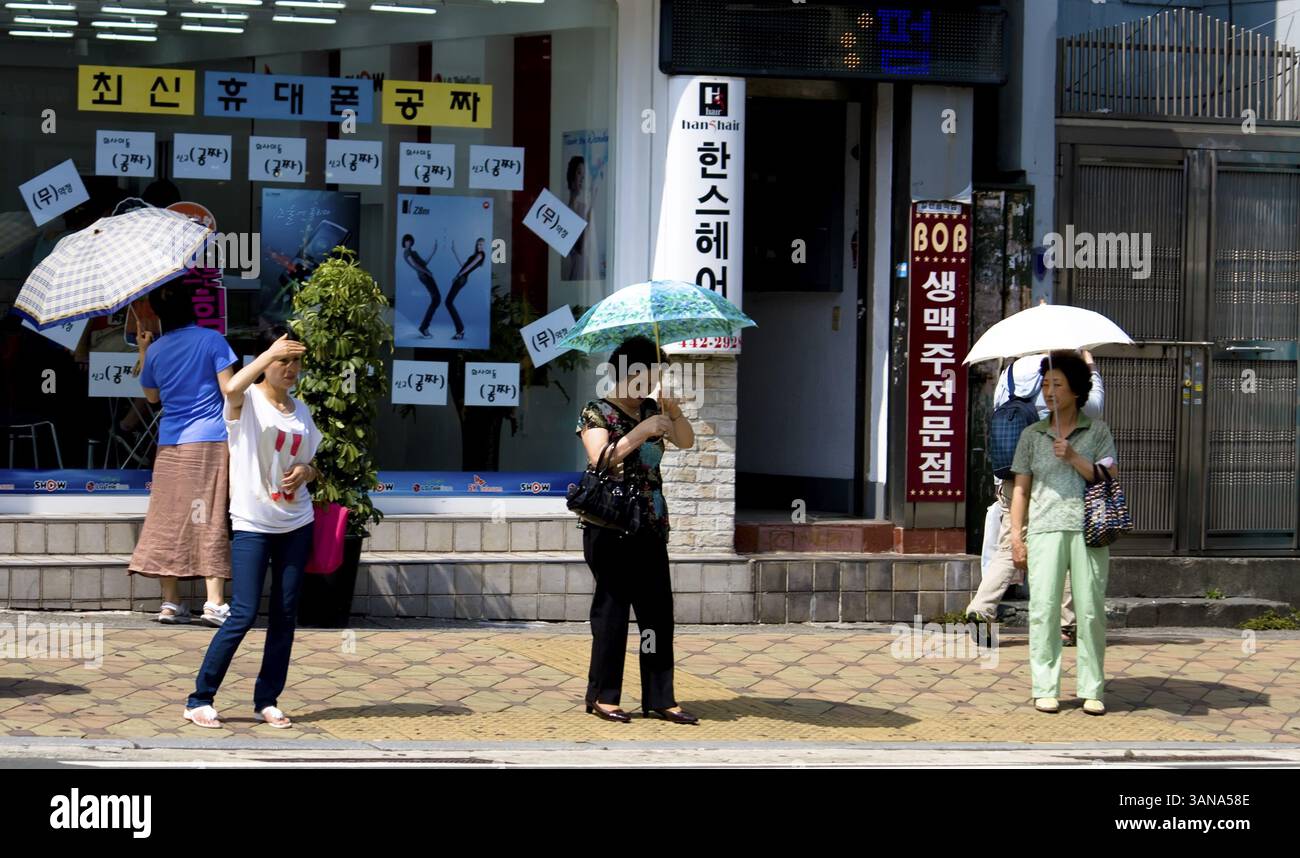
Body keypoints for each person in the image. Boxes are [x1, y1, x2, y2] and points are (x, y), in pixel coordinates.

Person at [183, 327, 321, 729]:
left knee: (284, 613)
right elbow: (231, 390)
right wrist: (266, 355)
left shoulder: (301, 410)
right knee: (242, 612)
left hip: (297, 520)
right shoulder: (247, 402)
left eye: (296, 360)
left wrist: (307, 471)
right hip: (253, 522)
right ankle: (199, 698)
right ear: (266, 360)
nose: (291, 368)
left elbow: (311, 463)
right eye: (284, 359)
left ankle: (267, 699)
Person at [574, 335, 697, 724]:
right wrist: (641, 432)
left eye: (657, 377)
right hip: (610, 525)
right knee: (611, 613)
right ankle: (603, 695)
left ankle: (660, 698)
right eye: (644, 377)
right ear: (624, 374)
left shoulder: (653, 408)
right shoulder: (596, 411)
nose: (651, 385)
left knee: (658, 613)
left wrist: (673, 416)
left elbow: (686, 442)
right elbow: (600, 460)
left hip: (650, 524)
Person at [966, 349, 1104, 645]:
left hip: (1011, 475)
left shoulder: (1012, 373)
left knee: (1008, 547)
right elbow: (1093, 408)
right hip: (1051, 478)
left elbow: (1000, 418)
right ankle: (1066, 625)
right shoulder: (1061, 376)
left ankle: (980, 609)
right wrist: (1091, 369)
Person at [1009, 351, 1119, 716]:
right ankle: (1045, 686)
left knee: (1090, 612)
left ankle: (1092, 688)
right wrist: (1016, 536)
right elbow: (1021, 490)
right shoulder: (1031, 435)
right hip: (1044, 530)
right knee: (1043, 610)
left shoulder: (1097, 431)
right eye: (1044, 384)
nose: (1049, 391)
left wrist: (1073, 456)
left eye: (1057, 384)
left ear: (1076, 389)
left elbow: (1109, 475)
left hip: (1089, 529)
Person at [129, 284, 239, 626]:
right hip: (207, 441)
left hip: (170, 443)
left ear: (160, 315)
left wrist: (145, 351)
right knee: (207, 516)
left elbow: (151, 398)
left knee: (169, 516)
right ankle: (215, 603)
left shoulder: (158, 349)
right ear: (194, 307)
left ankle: (171, 602)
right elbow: (230, 391)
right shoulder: (212, 341)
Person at [401, 233, 441, 339]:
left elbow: (424, 263)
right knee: (436, 299)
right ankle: (424, 327)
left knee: (436, 299)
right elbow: (415, 265)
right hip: (424, 276)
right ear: (404, 242)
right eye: (406, 241)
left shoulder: (414, 252)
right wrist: (427, 273)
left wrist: (433, 251)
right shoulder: (406, 253)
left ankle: (424, 327)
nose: (408, 242)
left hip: (427, 274)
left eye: (410, 241)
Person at [445, 238, 486, 340]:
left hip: (461, 279)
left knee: (448, 302)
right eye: (478, 244)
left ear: (484, 246)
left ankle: (460, 330)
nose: (479, 246)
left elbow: (468, 268)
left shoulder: (481, 255)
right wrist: (455, 252)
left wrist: (458, 276)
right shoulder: (474, 255)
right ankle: (460, 330)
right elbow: (463, 266)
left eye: (481, 244)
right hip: (461, 278)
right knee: (448, 302)